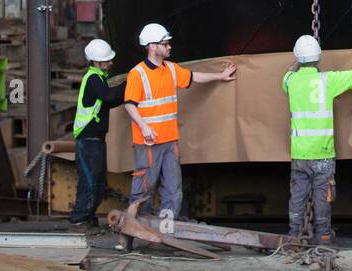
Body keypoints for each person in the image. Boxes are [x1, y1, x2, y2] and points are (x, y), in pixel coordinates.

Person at [123, 22, 236, 222]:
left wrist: (220, 76)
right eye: (165, 44)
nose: (169, 47)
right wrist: (144, 127)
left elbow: (194, 77)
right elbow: (130, 105)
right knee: (144, 187)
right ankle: (136, 227)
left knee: (173, 190)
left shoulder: (171, 70)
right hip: (148, 142)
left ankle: (167, 229)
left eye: (168, 43)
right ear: (152, 46)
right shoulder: (137, 74)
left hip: (169, 141)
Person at [283, 36, 352, 245]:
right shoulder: (327, 80)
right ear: (319, 57)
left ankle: (294, 236)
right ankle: (323, 236)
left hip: (299, 153)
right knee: (323, 197)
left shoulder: (290, 81)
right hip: (323, 153)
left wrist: (299, 61)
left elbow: (289, 71)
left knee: (298, 196)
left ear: (297, 57)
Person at [70, 38, 123, 227]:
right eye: (107, 60)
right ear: (96, 62)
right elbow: (109, 97)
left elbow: (110, 101)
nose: (111, 62)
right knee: (90, 181)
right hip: (88, 140)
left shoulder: (99, 78)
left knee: (98, 183)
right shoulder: (93, 78)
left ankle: (88, 217)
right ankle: (79, 219)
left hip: (96, 140)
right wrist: (130, 82)